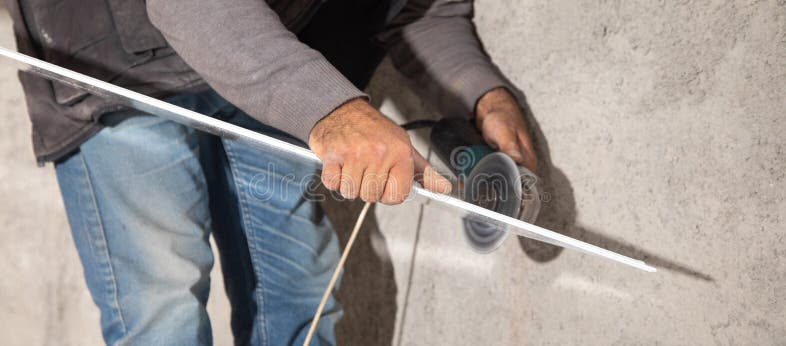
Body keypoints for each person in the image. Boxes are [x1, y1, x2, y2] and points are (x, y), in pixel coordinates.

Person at [5, 0, 538, 344]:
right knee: (160, 310)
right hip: (107, 62)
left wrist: (480, 92)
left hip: (261, 47)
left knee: (299, 296)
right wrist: (328, 109)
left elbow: (417, 6)